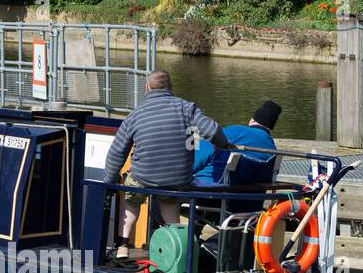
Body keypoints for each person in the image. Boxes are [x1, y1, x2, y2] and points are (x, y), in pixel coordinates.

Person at [103, 69, 230, 258]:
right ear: (170, 88)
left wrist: (109, 182)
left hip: (142, 177)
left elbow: (117, 152)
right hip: (176, 179)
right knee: (170, 204)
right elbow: (212, 131)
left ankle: (122, 246)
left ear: (147, 88)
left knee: (131, 198)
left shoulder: (135, 115)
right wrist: (223, 144)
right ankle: (176, 250)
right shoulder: (187, 109)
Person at [192, 100, 281, 185]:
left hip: (208, 189)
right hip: (249, 198)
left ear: (252, 120)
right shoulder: (272, 149)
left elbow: (196, 159)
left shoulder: (235, 131)